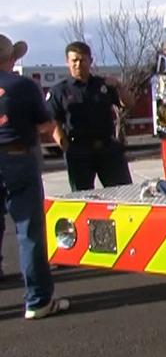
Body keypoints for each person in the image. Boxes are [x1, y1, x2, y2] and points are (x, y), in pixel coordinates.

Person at [0, 33, 70, 319]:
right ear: (12, 58)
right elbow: (44, 124)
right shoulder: (23, 86)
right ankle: (38, 300)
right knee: (28, 231)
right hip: (17, 158)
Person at [47, 41, 134, 191]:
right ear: (67, 62)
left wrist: (119, 86)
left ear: (90, 61)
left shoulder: (103, 85)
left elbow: (128, 103)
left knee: (123, 192)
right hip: (79, 152)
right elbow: (53, 121)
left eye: (83, 60)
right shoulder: (59, 91)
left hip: (107, 149)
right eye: (74, 60)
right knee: (82, 198)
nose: (78, 64)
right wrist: (66, 147)